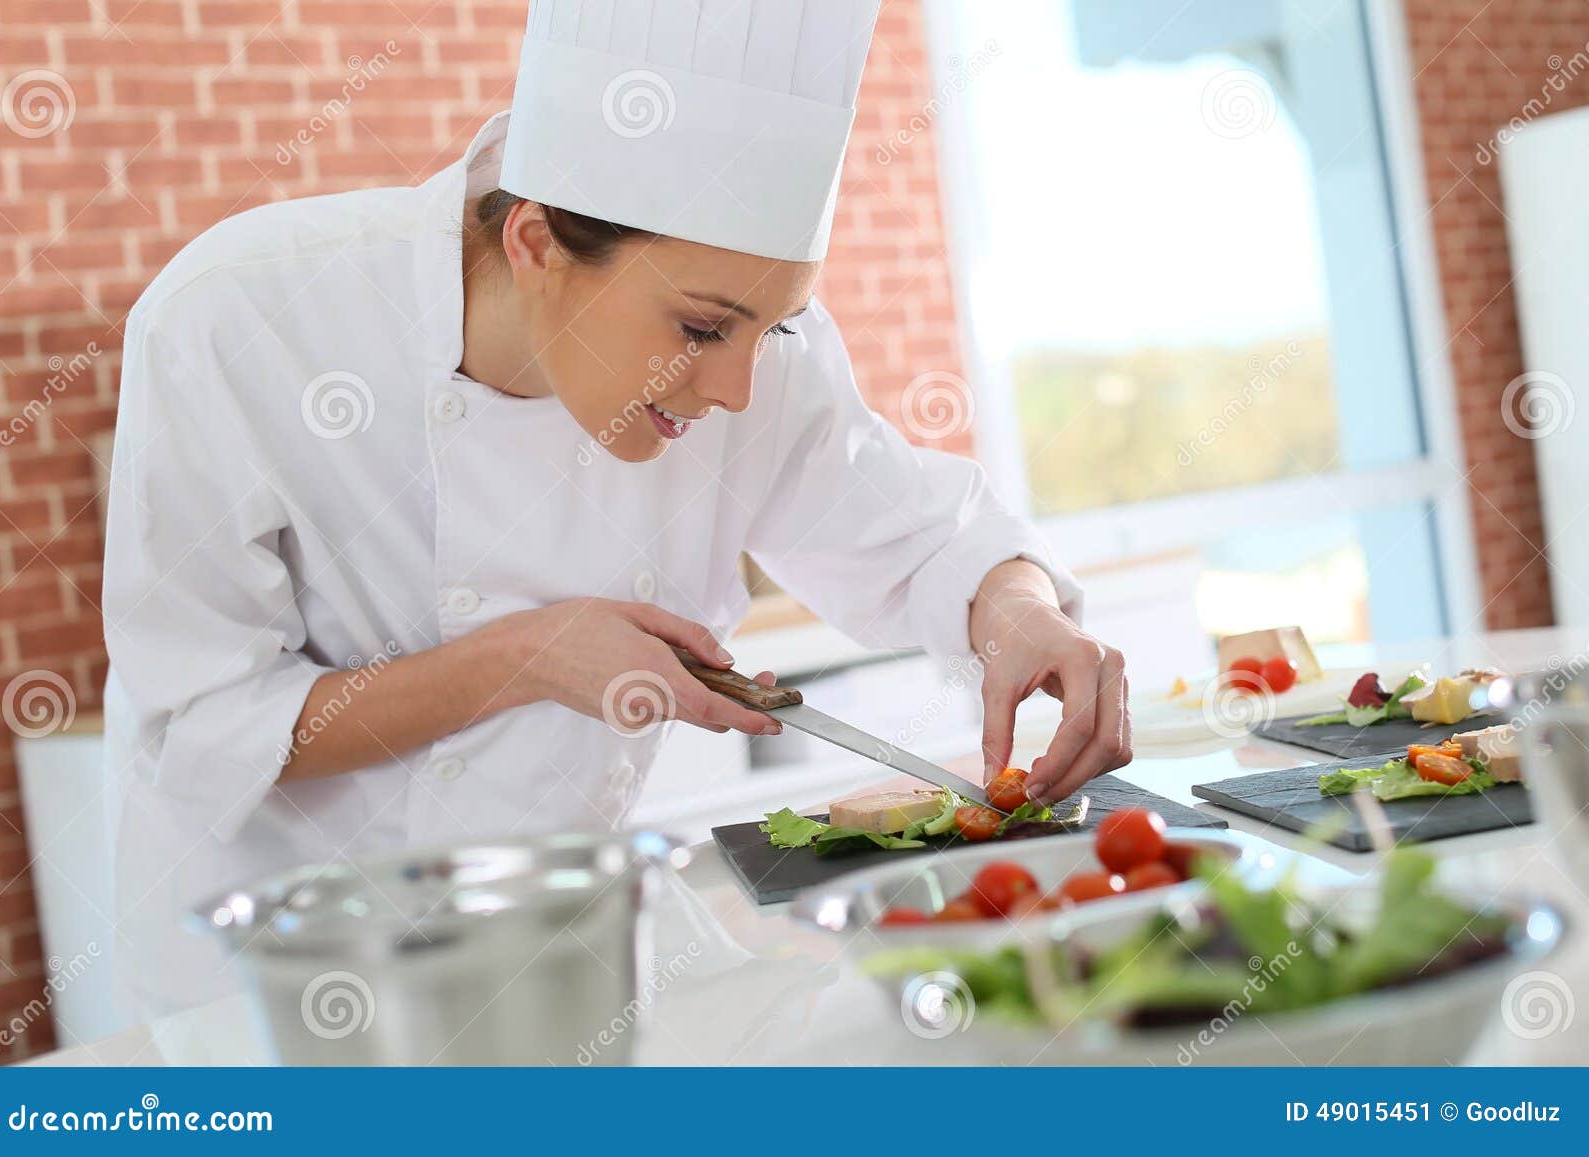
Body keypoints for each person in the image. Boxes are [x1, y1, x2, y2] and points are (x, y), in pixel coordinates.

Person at [102, 0, 1131, 1019]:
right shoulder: (239, 317)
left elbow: (927, 539)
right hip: (272, 993)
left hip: (558, 968)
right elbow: (202, 724)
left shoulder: (755, 354)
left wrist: (1021, 614)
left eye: (773, 330)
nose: (734, 388)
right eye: (701, 326)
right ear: (536, 244)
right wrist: (528, 655)